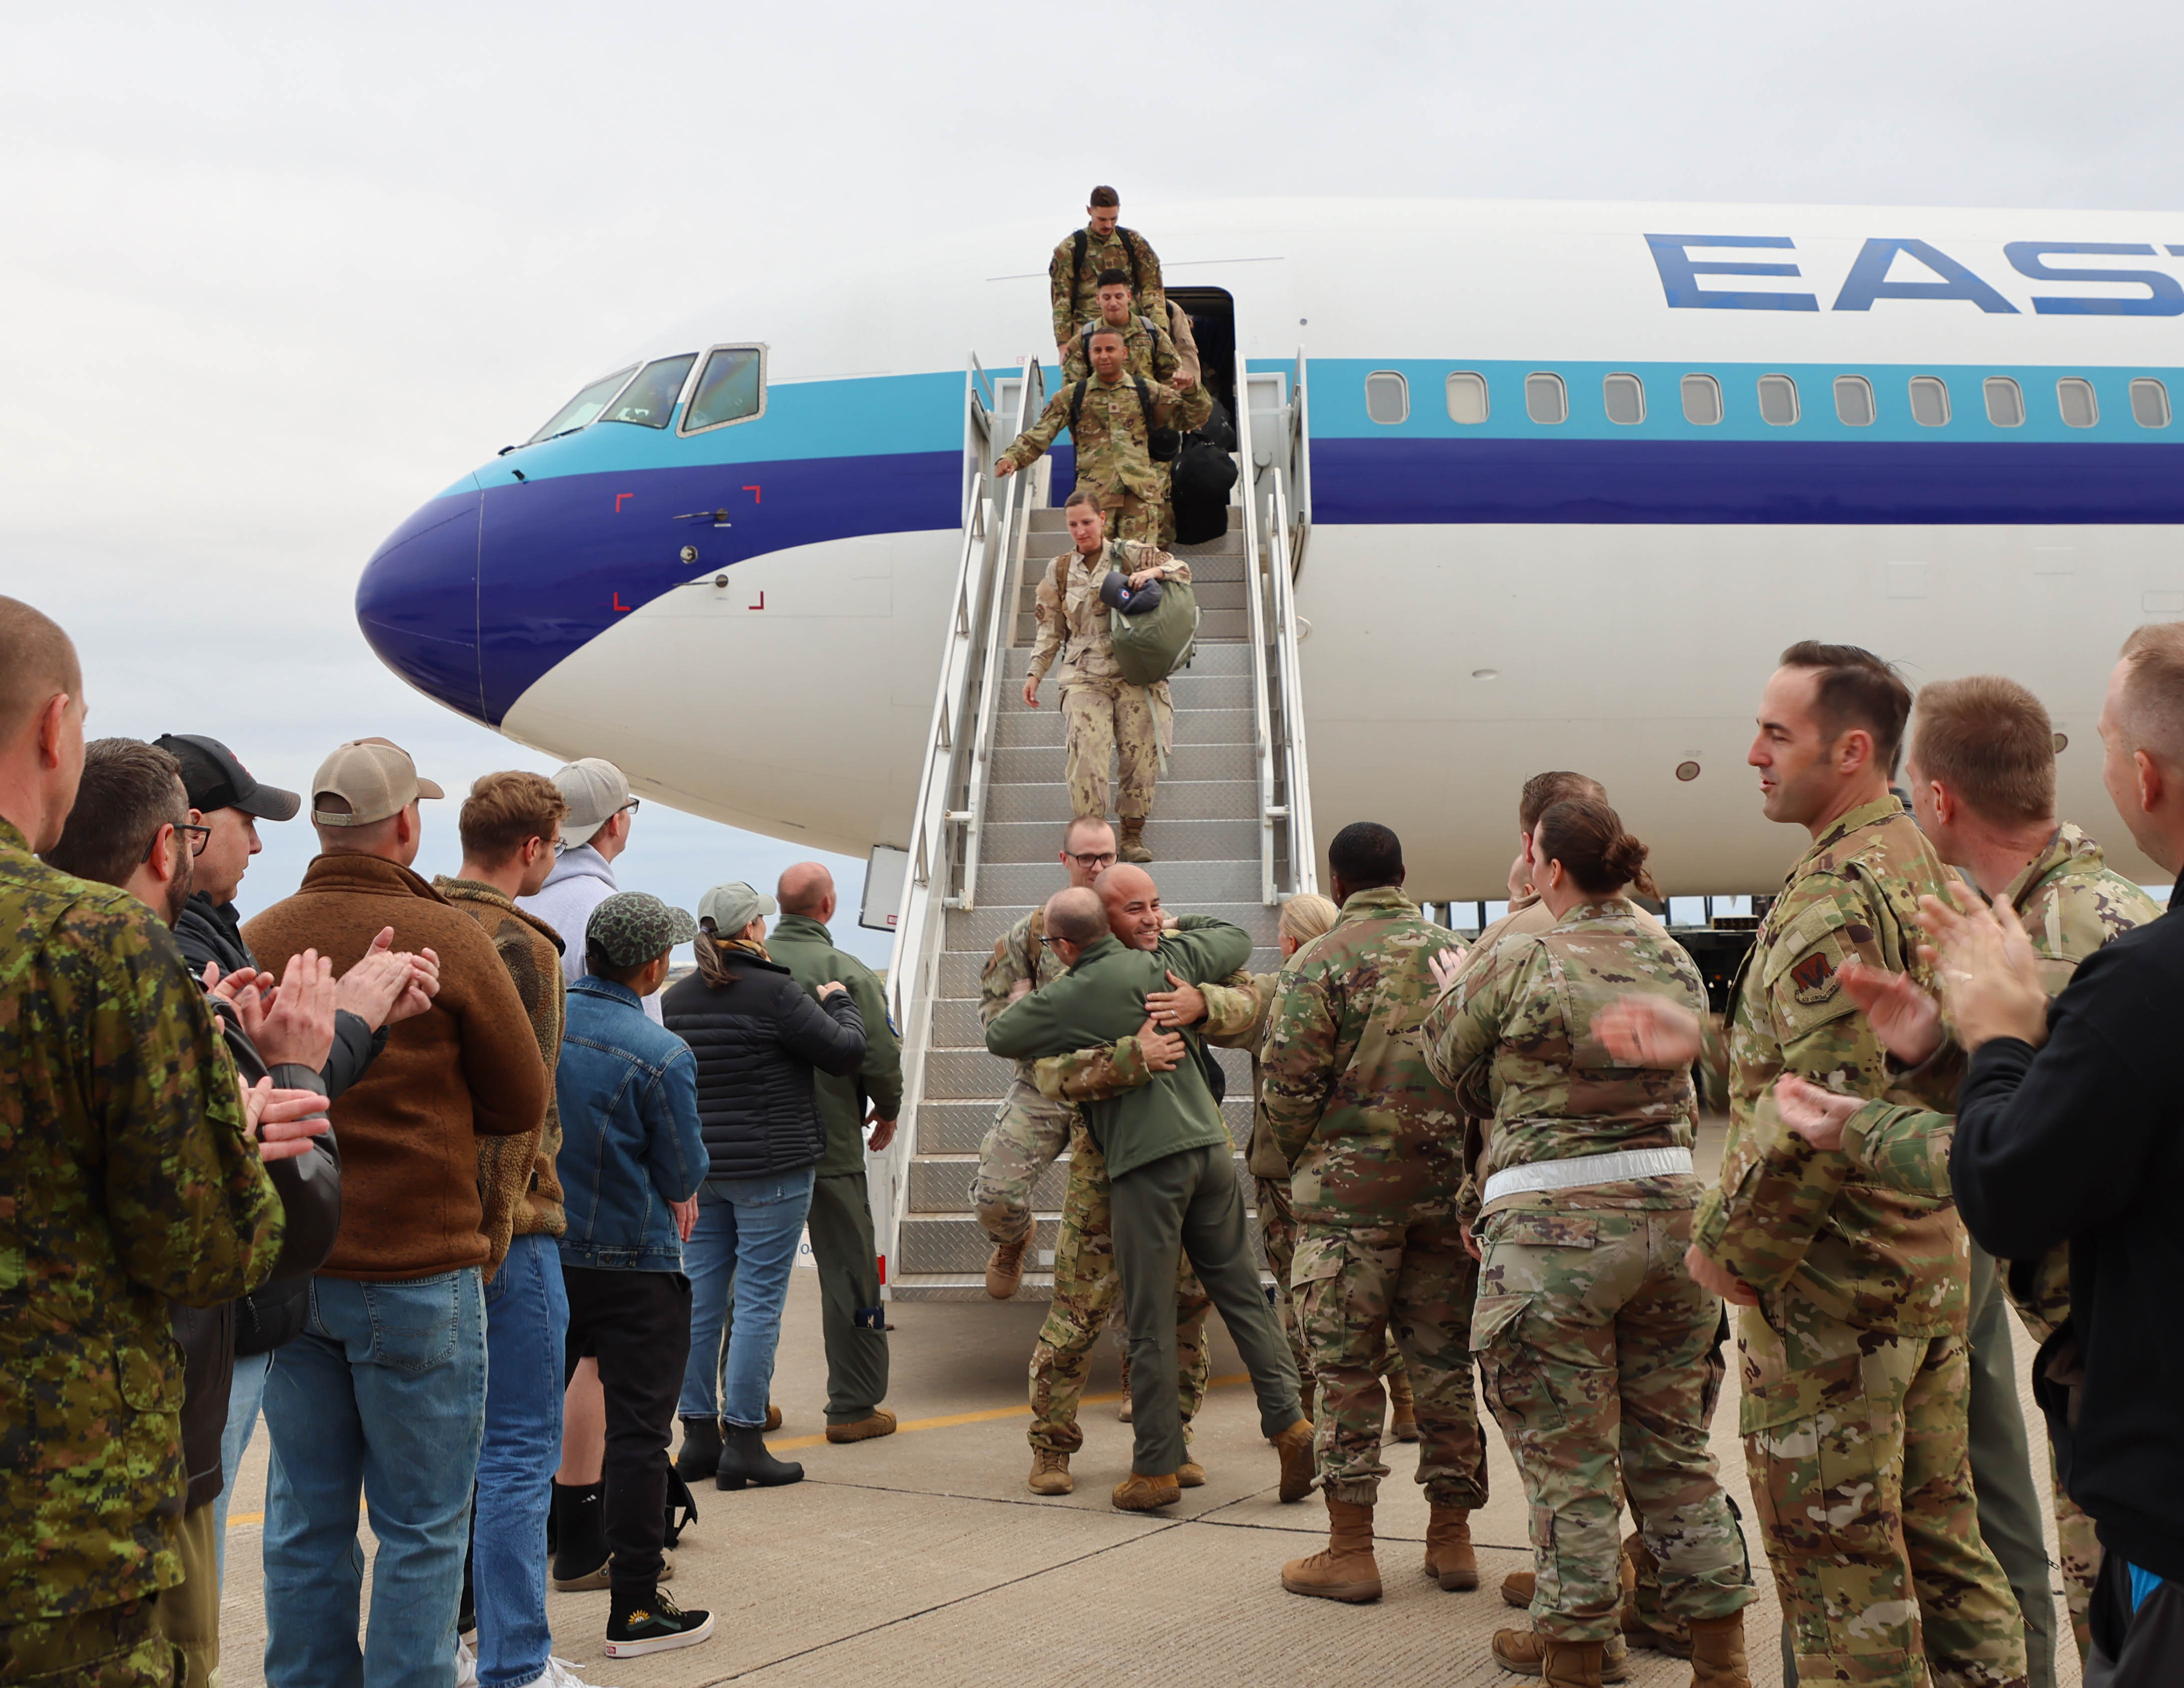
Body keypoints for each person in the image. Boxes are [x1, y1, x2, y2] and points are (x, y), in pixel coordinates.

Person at [1596, 642, 2027, 1688]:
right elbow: (1875, 1056)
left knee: (1842, 1581)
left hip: (1834, 1300)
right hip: (1921, 1275)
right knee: (1943, 1554)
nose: (1750, 753)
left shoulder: (1833, 891)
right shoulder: (1914, 858)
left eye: (1774, 735)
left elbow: (1817, 1114)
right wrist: (1710, 1033)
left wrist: (1727, 1250)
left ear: (1851, 748)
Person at [1775, 643, 2184, 1685]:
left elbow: (2024, 1173)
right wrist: (1946, 1052)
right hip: (2103, 1350)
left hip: (2129, 1383)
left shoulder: (2072, 944)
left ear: (1935, 798)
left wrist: (1863, 1122)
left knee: (2112, 1609)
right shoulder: (2107, 915)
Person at [0, 597, 293, 1686]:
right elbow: (207, 1251)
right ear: (54, 730)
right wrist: (240, 1131)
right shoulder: (96, 945)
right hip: (58, 1538)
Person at [37, 734, 353, 1688]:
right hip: (128, 1428)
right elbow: (244, 1241)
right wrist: (280, 1078)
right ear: (171, 843)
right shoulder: (140, 969)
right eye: (229, 826)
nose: (253, 845)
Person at [1425, 800, 1754, 1688]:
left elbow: (1448, 1068)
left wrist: (1459, 984)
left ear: (1546, 866)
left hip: (1552, 1231)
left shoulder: (1520, 952)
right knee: (1676, 1449)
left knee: (1570, 1458)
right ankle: (1722, 1660)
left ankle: (1577, 1655)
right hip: (1671, 1220)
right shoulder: (1671, 954)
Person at [244, 737, 551, 1688]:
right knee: (422, 1523)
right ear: (407, 825)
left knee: (306, 1517)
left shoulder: (264, 932)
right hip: (419, 1267)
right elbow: (520, 1098)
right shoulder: (450, 940)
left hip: (298, 1266)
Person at [151, 731, 409, 1572]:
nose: (259, 843)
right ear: (186, 831)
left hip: (252, 1305)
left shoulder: (223, 932)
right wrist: (355, 1021)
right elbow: (266, 1113)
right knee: (196, 1546)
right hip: (228, 1302)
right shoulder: (181, 949)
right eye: (244, 822)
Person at [984, 868, 1312, 1513]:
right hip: (1211, 1153)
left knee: (1151, 1316)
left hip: (1144, 1166)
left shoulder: (1068, 994)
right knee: (1243, 1296)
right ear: (1111, 923)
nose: (1152, 917)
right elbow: (1234, 939)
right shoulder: (1170, 961)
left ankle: (1156, 1468)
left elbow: (1002, 1036)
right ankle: (1292, 1424)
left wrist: (1033, 991)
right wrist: (1173, 931)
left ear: (1062, 946)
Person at [1257, 823, 1486, 1606]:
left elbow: (1287, 1087)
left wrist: (1291, 1161)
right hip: (1442, 1194)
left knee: (1345, 1371)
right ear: (1402, 871)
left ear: (1338, 879)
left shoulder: (1317, 961)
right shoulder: (1457, 955)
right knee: (1444, 1364)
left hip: (1346, 1204)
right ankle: (1450, 1540)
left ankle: (1350, 1550)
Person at [434, 771, 600, 1688]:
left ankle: (445, 1646)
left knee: (440, 1457)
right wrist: (496, 1241)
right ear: (535, 846)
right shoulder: (522, 945)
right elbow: (521, 1116)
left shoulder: (423, 921)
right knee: (519, 1449)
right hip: (510, 1228)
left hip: (424, 1226)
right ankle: (516, 1661)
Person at [667, 879, 866, 1491]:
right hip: (773, 1170)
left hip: (707, 1171)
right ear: (754, 928)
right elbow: (844, 1053)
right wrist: (839, 1002)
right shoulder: (777, 992)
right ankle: (746, 1439)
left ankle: (699, 1437)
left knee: (701, 1302)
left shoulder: (678, 1000)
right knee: (757, 1301)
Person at [557, 892, 715, 1660]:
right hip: (634, 1261)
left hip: (540, 1253)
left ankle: (465, 1603)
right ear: (652, 967)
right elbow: (684, 1169)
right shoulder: (660, 1052)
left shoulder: (537, 1025)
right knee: (639, 1436)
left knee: (513, 1431)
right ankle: (635, 1607)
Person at [748, 861, 901, 1446]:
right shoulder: (849, 972)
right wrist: (886, 1109)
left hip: (756, 1151)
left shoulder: (750, 969)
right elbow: (880, 1058)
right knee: (850, 1274)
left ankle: (747, 1402)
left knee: (751, 1279)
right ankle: (853, 1406)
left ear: (777, 909)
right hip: (833, 1146)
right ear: (828, 907)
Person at [972, 815, 1122, 1295]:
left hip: (1116, 1086)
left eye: (1107, 856)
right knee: (994, 1197)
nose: (1097, 866)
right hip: (1045, 1085)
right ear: (1065, 861)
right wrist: (1028, 1018)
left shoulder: (1137, 922)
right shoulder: (1034, 932)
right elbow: (996, 1019)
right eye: (1086, 857)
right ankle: (1014, 1240)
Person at [1019, 493, 1192, 864]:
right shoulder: (1060, 569)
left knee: (1142, 755)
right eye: (1072, 524)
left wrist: (1153, 572)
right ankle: (1096, 838)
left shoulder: (1130, 553)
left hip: (1137, 672)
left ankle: (1131, 835)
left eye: (1087, 522)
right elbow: (1050, 627)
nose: (1080, 530)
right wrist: (1036, 672)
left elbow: (1181, 568)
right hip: (1084, 674)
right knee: (1087, 756)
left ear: (1101, 519)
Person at [995, 327, 1211, 549]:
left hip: (1139, 497)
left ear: (1124, 353)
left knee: (1139, 567)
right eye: (1097, 350)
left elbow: (1192, 418)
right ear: (1090, 355)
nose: (1104, 355)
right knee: (1094, 568)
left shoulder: (1147, 391)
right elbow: (1042, 431)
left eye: (1110, 349)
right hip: (1094, 500)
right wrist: (1013, 458)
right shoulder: (1073, 395)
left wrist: (1192, 390)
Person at [1049, 185, 1165, 360]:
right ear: (1090, 211)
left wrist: (1159, 332)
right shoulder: (1070, 250)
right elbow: (1061, 301)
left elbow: (1153, 290)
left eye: (1114, 218)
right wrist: (1064, 345)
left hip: (1131, 333)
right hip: (1088, 335)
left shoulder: (1133, 243)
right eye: (1102, 219)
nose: (1108, 225)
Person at [1062, 270, 1189, 387]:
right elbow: (1072, 390)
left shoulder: (1152, 332)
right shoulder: (1085, 338)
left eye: (1119, 297)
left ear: (1128, 297)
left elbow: (1171, 378)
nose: (1113, 303)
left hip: (1146, 408)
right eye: (1107, 298)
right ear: (1098, 299)